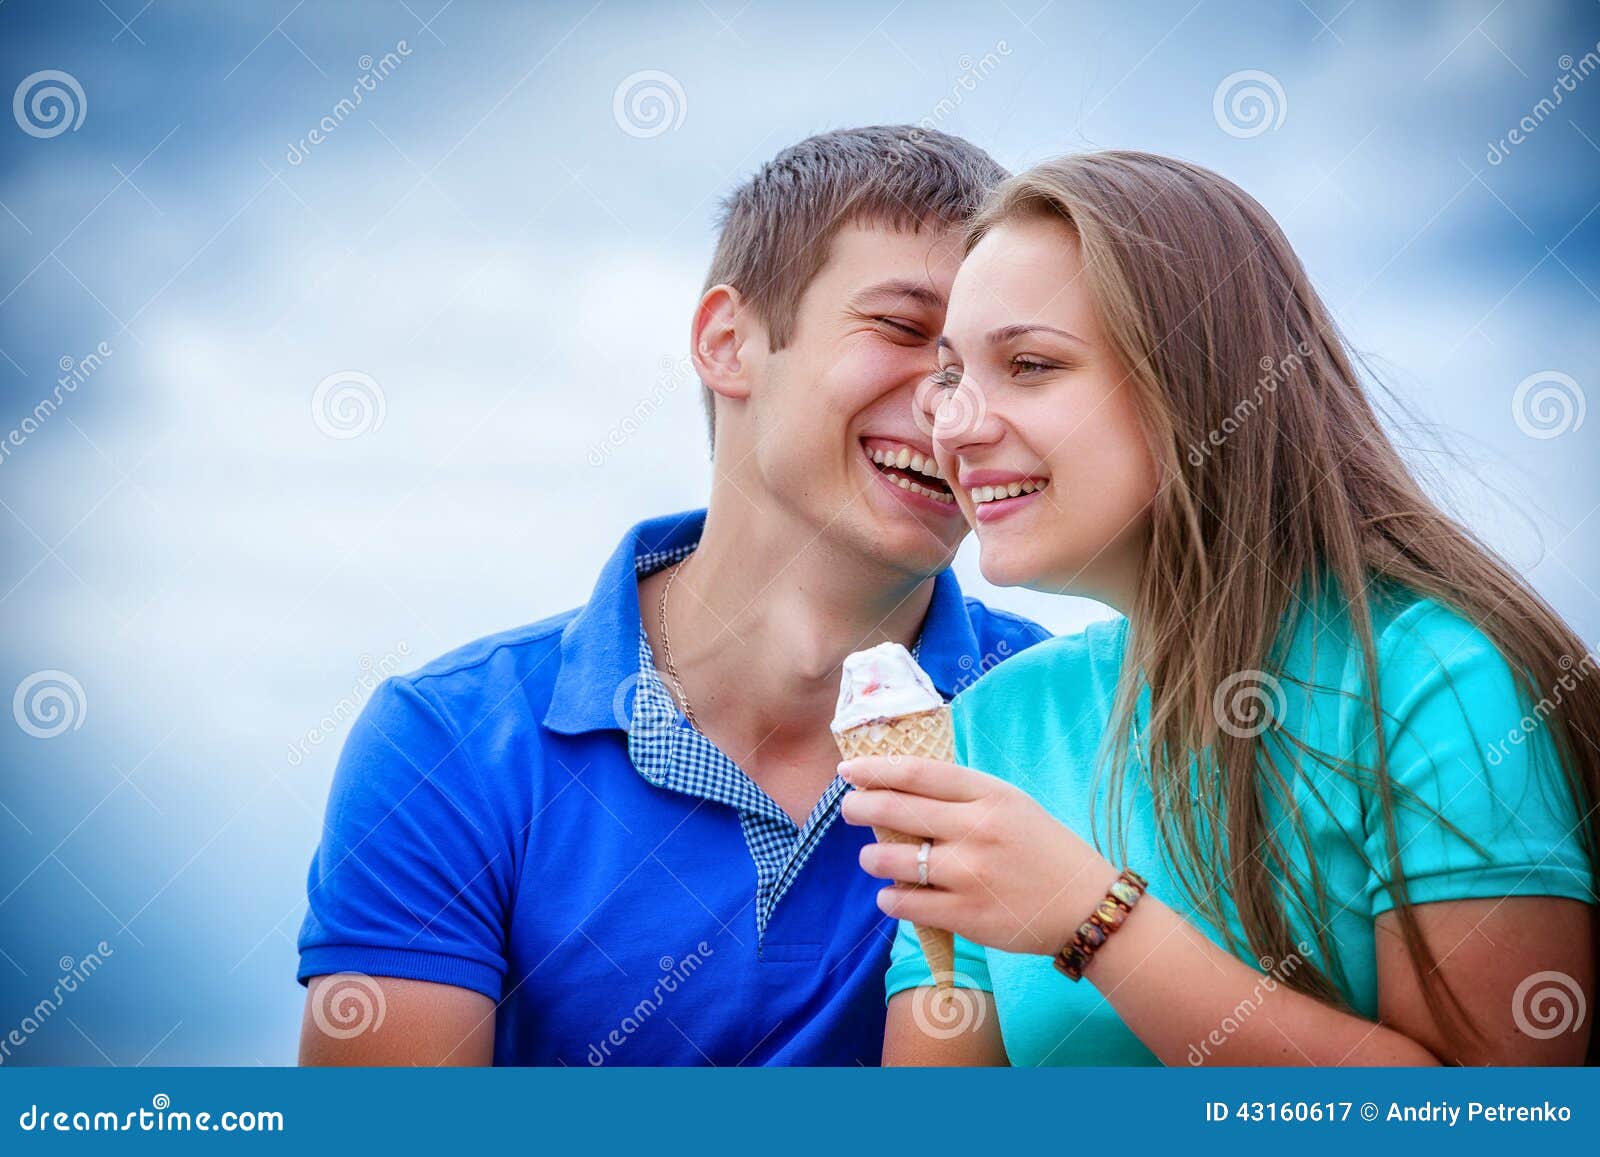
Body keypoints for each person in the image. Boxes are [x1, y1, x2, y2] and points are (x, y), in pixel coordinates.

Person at [295, 126, 1049, 1066]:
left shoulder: (1074, 725)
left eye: (1004, 362)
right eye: (904, 328)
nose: (955, 406)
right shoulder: (448, 741)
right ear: (728, 342)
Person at [840, 150, 1598, 1066]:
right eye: (954, 375)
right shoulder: (988, 729)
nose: (952, 426)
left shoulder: (1436, 677)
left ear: (1203, 382)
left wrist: (1094, 918)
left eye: (1031, 365)